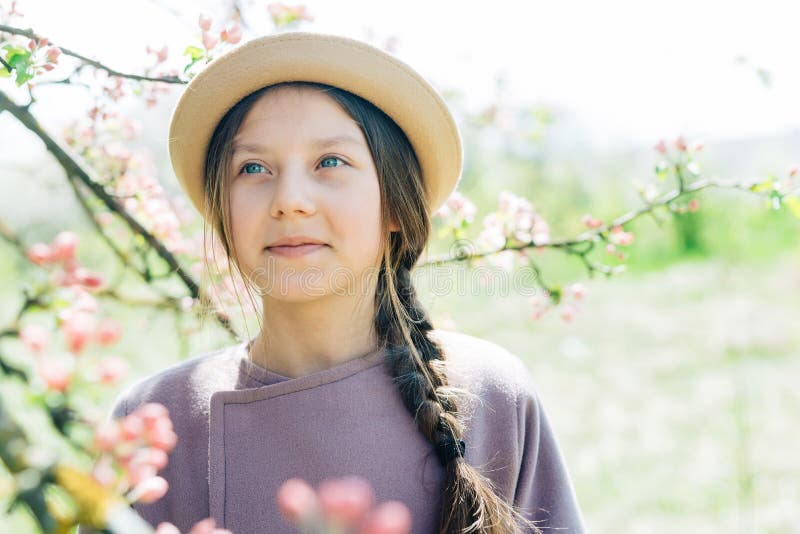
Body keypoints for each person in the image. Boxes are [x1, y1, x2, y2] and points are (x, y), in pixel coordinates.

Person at [81, 31, 586, 534]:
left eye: (330, 162)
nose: (290, 199)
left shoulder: (491, 395)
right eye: (253, 168)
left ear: (394, 204)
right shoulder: (155, 423)